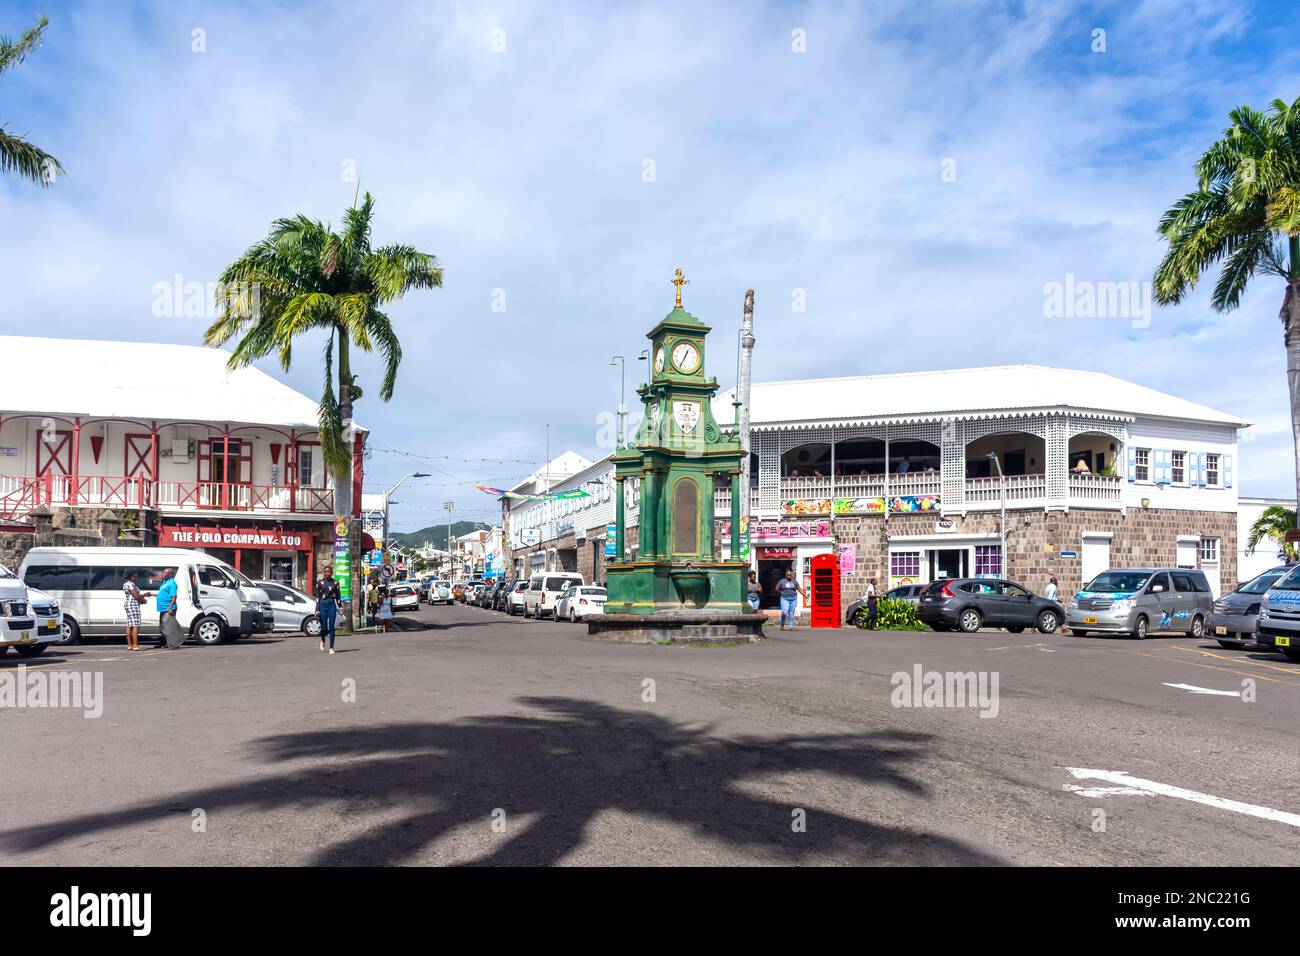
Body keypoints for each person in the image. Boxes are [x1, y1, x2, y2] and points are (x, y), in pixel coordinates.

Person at [156, 568, 182, 649]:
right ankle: (165, 643)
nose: (162, 574)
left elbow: (174, 596)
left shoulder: (172, 584)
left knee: (169, 627)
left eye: (164, 573)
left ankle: (172, 644)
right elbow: (163, 594)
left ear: (170, 575)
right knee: (163, 627)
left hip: (168, 608)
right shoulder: (165, 582)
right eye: (163, 572)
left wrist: (170, 607)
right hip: (162, 608)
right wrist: (151, 594)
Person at [316, 571, 341, 654]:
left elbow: (338, 596)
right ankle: (323, 640)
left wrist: (340, 607)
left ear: (331, 573)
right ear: (324, 573)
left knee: (331, 626)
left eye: (328, 572)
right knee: (323, 627)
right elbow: (318, 597)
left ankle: (331, 647)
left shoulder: (335, 583)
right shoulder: (320, 583)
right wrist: (317, 609)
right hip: (323, 604)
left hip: (331, 605)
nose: (327, 573)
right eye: (325, 572)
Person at [122, 570, 145, 651]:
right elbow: (135, 595)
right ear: (132, 577)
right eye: (135, 576)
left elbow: (133, 595)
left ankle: (130, 645)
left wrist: (143, 595)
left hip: (128, 604)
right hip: (133, 605)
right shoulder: (131, 584)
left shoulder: (125, 584)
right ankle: (135, 645)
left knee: (129, 625)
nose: (136, 578)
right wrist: (143, 600)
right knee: (136, 625)